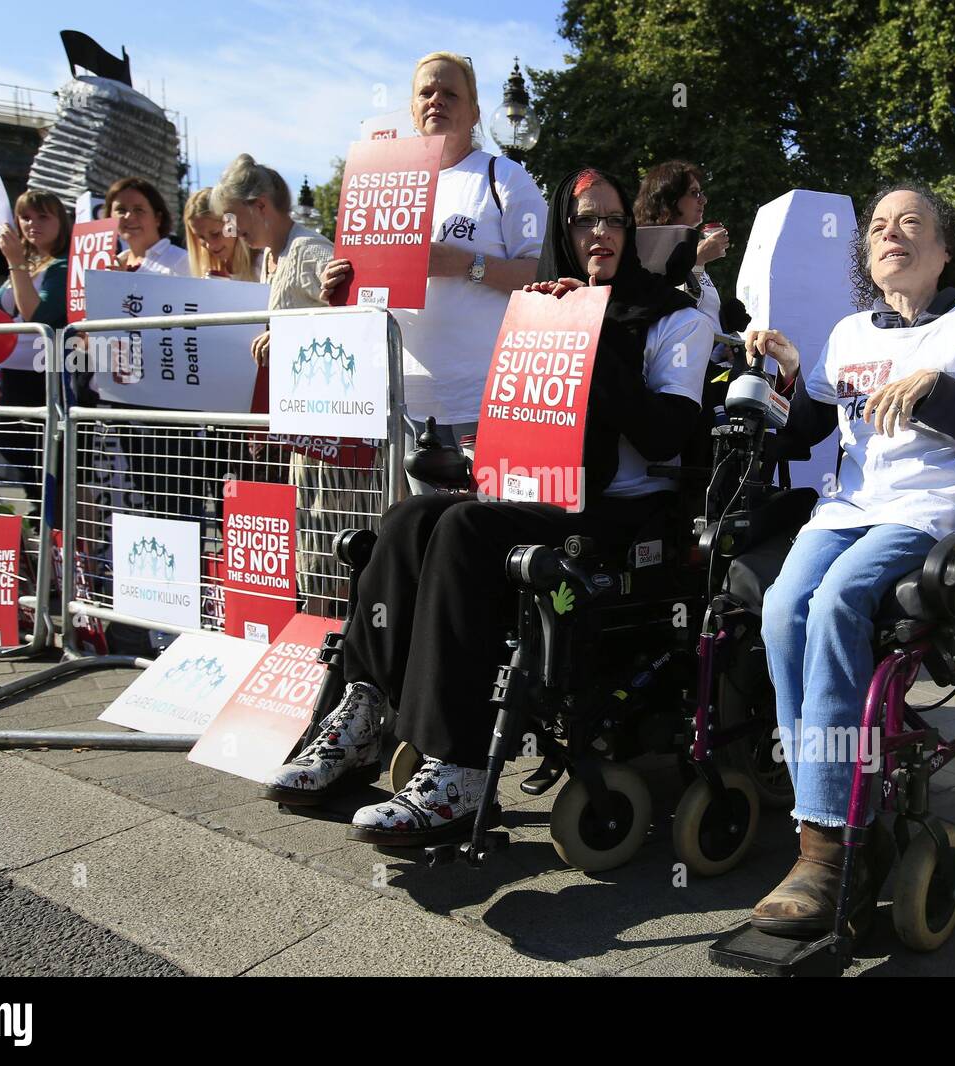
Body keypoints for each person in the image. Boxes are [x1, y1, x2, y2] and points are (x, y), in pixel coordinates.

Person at [266, 167, 713, 845]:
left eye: (613, 219)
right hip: (544, 489)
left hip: (625, 507)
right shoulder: (538, 305)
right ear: (564, 233)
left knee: (467, 530)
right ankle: (363, 712)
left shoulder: (676, 316)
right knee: (410, 518)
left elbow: (665, 434)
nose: (599, 233)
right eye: (584, 220)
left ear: (632, 229)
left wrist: (587, 336)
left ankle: (461, 765)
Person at [745, 183, 955, 936]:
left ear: (944, 251)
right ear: (867, 255)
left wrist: (937, 390)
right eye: (878, 226)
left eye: (913, 224)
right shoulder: (848, 335)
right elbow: (809, 424)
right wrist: (784, 371)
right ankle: (825, 794)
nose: (891, 234)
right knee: (781, 610)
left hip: (928, 511)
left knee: (840, 602)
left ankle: (826, 843)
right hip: (847, 506)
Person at [319, 51, 548, 493]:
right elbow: (368, 293)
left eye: (450, 93)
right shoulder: (383, 183)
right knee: (426, 541)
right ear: (411, 109)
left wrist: (466, 264)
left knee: (480, 539)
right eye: (426, 92)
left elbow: (542, 276)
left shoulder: (504, 177)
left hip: (484, 400)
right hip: (406, 403)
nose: (436, 101)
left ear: (475, 112)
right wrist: (340, 285)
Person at [210, 154, 345, 611]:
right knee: (309, 529)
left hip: (328, 430)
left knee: (324, 533)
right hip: (300, 426)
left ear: (260, 205)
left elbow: (351, 313)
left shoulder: (307, 250)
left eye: (234, 216)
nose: (231, 228)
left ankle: (328, 635)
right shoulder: (273, 256)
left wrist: (286, 335)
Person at [633, 160, 735, 333]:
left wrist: (726, 331)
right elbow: (656, 307)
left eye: (701, 193)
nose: (703, 200)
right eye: (694, 193)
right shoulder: (644, 252)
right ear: (669, 199)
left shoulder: (688, 252)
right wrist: (698, 258)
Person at [0, 189, 71, 408]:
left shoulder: (66, 264)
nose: (32, 224)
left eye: (43, 216)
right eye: (25, 217)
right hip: (11, 370)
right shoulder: (27, 262)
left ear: (61, 222)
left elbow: (35, 316)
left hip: (46, 375)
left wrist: (15, 261)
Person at [106, 177, 190, 276]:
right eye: (121, 210)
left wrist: (122, 283)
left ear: (157, 218)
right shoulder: (111, 263)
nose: (129, 216)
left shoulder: (181, 261)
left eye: (138, 210)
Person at [183, 187, 256, 280]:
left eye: (215, 234)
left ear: (232, 223)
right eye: (201, 237)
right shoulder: (206, 271)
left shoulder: (263, 266)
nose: (209, 246)